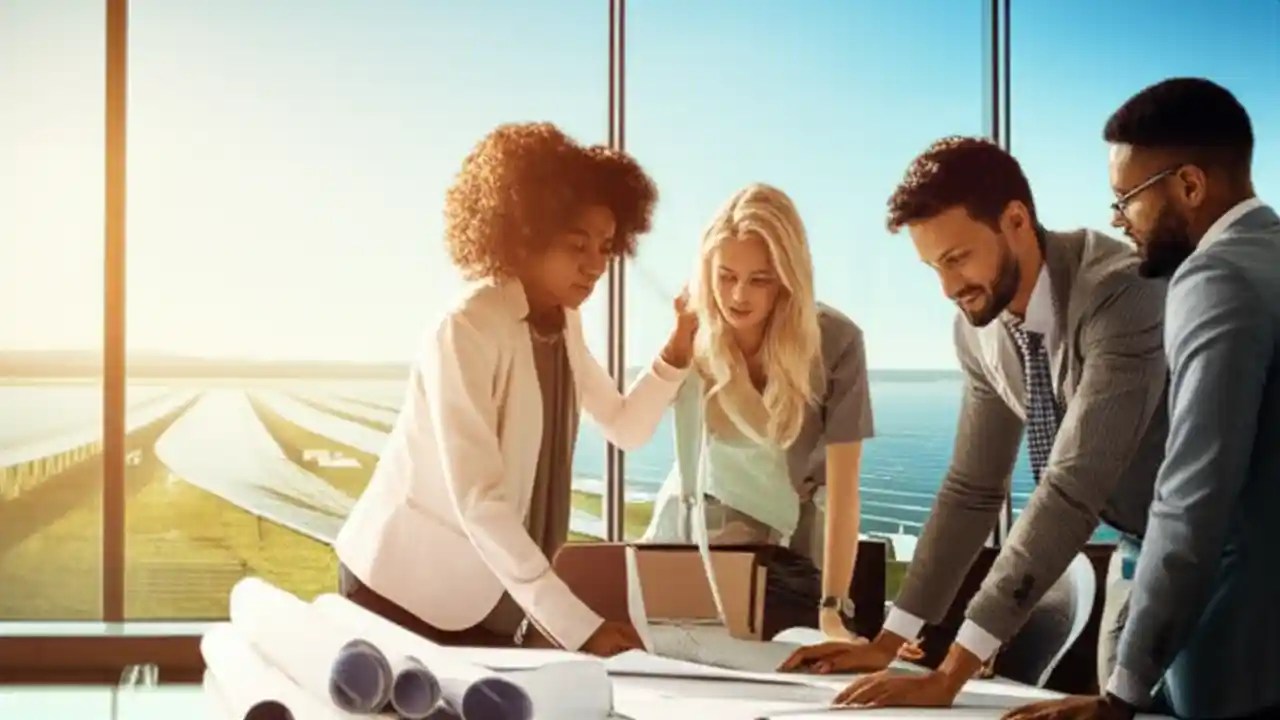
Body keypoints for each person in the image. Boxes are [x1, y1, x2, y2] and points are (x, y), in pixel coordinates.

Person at [779, 136, 1170, 708]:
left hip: (1230, 546)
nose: (948, 288)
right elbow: (972, 488)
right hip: (1139, 550)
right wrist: (890, 642)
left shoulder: (1121, 294)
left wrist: (950, 674)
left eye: (958, 257)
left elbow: (1071, 488)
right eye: (934, 266)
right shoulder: (978, 327)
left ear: (1016, 221)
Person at [333, 122, 697, 657]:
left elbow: (625, 427)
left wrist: (679, 348)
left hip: (489, 598)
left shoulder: (563, 322)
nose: (597, 265)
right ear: (525, 236)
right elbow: (479, 500)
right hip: (400, 590)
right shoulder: (467, 328)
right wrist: (579, 627)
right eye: (577, 245)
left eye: (605, 247)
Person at [1004, 78, 1279, 720]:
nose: (1116, 218)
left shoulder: (1214, 278)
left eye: (1126, 197)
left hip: (1230, 657)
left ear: (1190, 185)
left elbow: (1193, 493)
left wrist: (1121, 692)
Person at [640, 182, 874, 641]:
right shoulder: (694, 331)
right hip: (692, 537)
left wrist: (831, 608)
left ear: (787, 278)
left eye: (759, 279)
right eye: (726, 276)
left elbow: (844, 488)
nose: (738, 296)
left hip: (788, 552)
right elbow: (629, 424)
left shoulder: (837, 342)